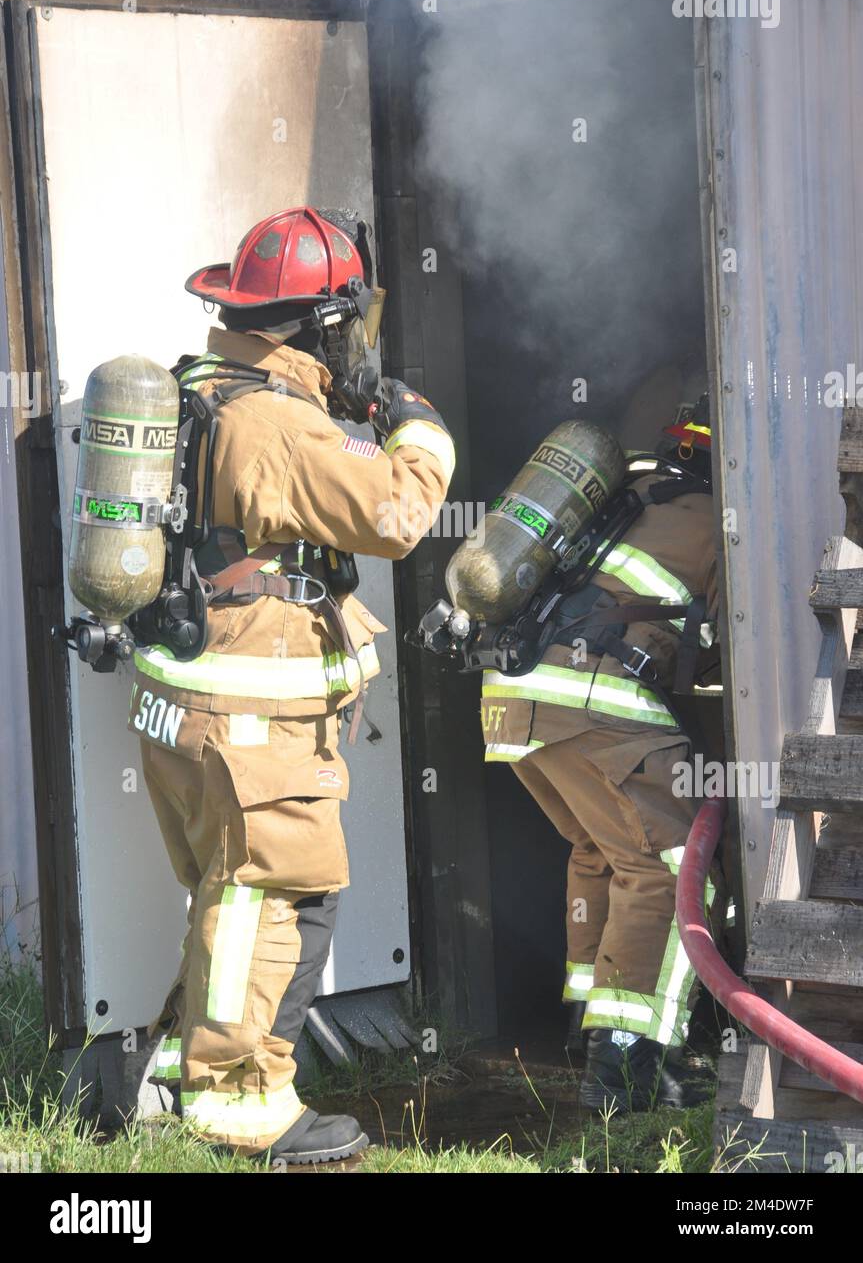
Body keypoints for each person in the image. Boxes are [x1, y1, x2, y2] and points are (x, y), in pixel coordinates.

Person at [132, 206, 454, 1162]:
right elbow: (395, 514)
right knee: (274, 900)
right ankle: (237, 1103)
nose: (360, 337)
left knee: (226, 899)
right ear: (320, 323)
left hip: (186, 712)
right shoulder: (275, 422)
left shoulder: (203, 388)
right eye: (351, 319)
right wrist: (421, 432)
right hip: (251, 727)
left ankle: (172, 1081)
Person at [480, 399, 721, 1111]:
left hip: (510, 700)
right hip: (594, 705)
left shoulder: (617, 497)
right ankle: (628, 1070)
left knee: (599, 853)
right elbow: (739, 635)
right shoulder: (719, 519)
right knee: (669, 869)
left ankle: (590, 1035)